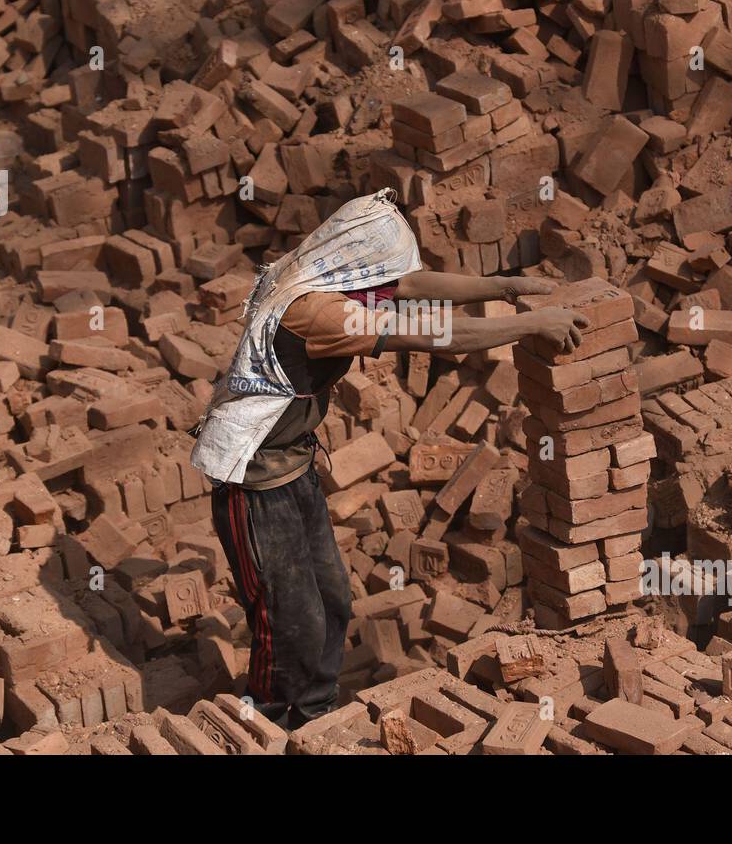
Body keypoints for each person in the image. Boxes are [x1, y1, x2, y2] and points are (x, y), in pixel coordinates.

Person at [191, 190, 588, 729]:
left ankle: (316, 718)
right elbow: (438, 336)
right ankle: (268, 723)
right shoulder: (316, 309)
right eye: (384, 274)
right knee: (288, 619)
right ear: (359, 261)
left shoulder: (326, 266)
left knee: (331, 599)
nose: (392, 286)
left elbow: (416, 285)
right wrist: (530, 323)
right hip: (253, 481)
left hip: (295, 466)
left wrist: (505, 286)